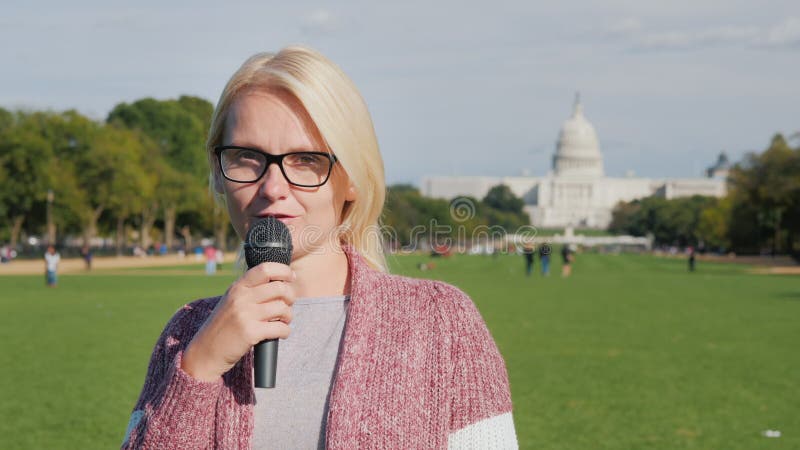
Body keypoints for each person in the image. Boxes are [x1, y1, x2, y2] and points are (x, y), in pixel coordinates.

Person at [122, 46, 517, 449]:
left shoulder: (441, 323)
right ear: (219, 174)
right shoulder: (187, 331)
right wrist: (200, 368)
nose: (273, 188)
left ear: (353, 179)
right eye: (245, 157)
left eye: (306, 160)